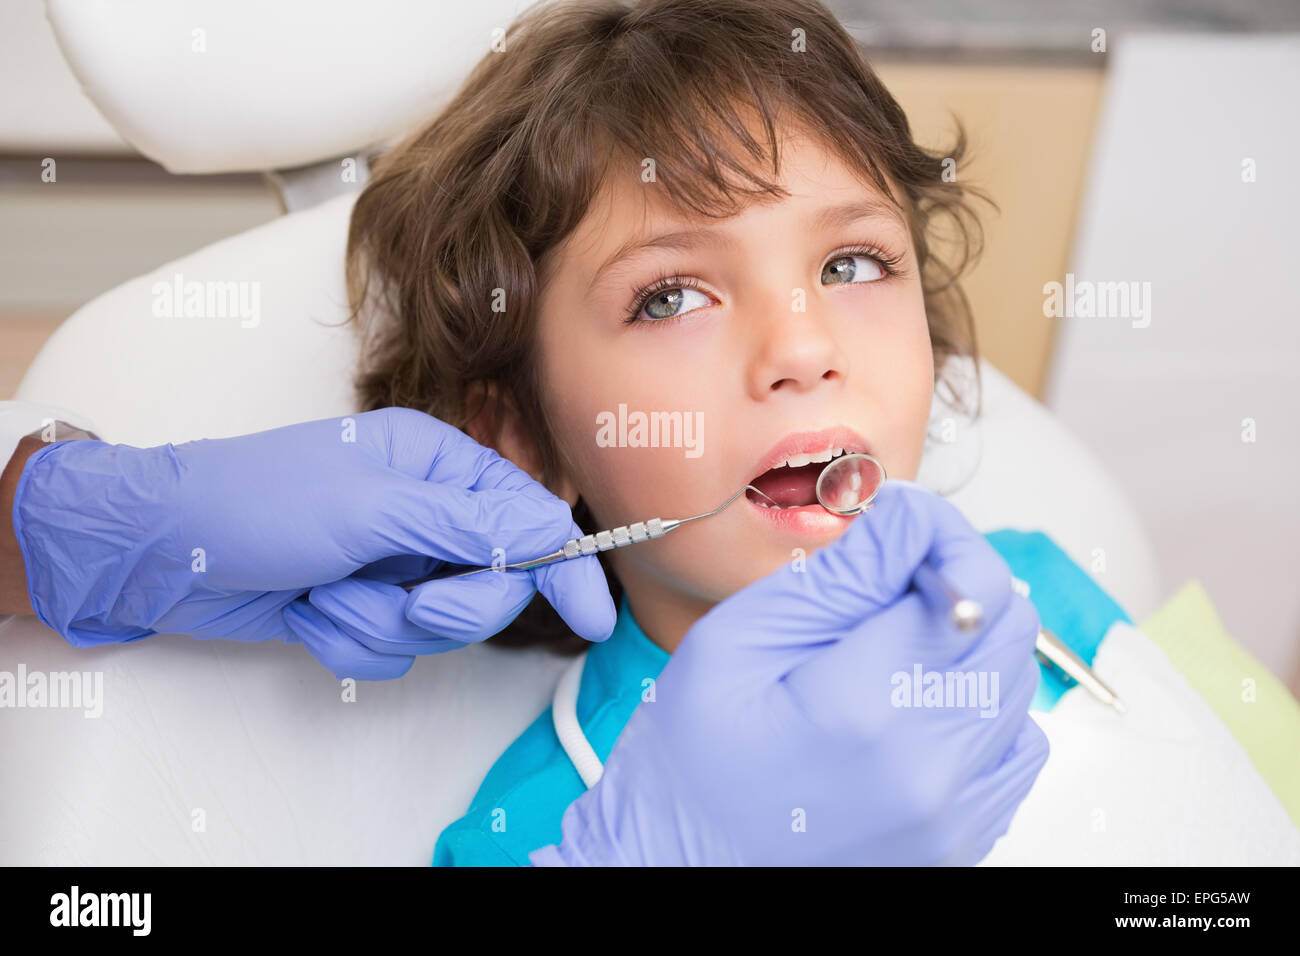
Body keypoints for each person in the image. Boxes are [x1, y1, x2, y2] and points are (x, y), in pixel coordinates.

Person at [331, 0, 1056, 865]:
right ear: (523, 440)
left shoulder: (1043, 593)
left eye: (849, 265)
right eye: (671, 298)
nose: (803, 347)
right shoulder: (547, 839)